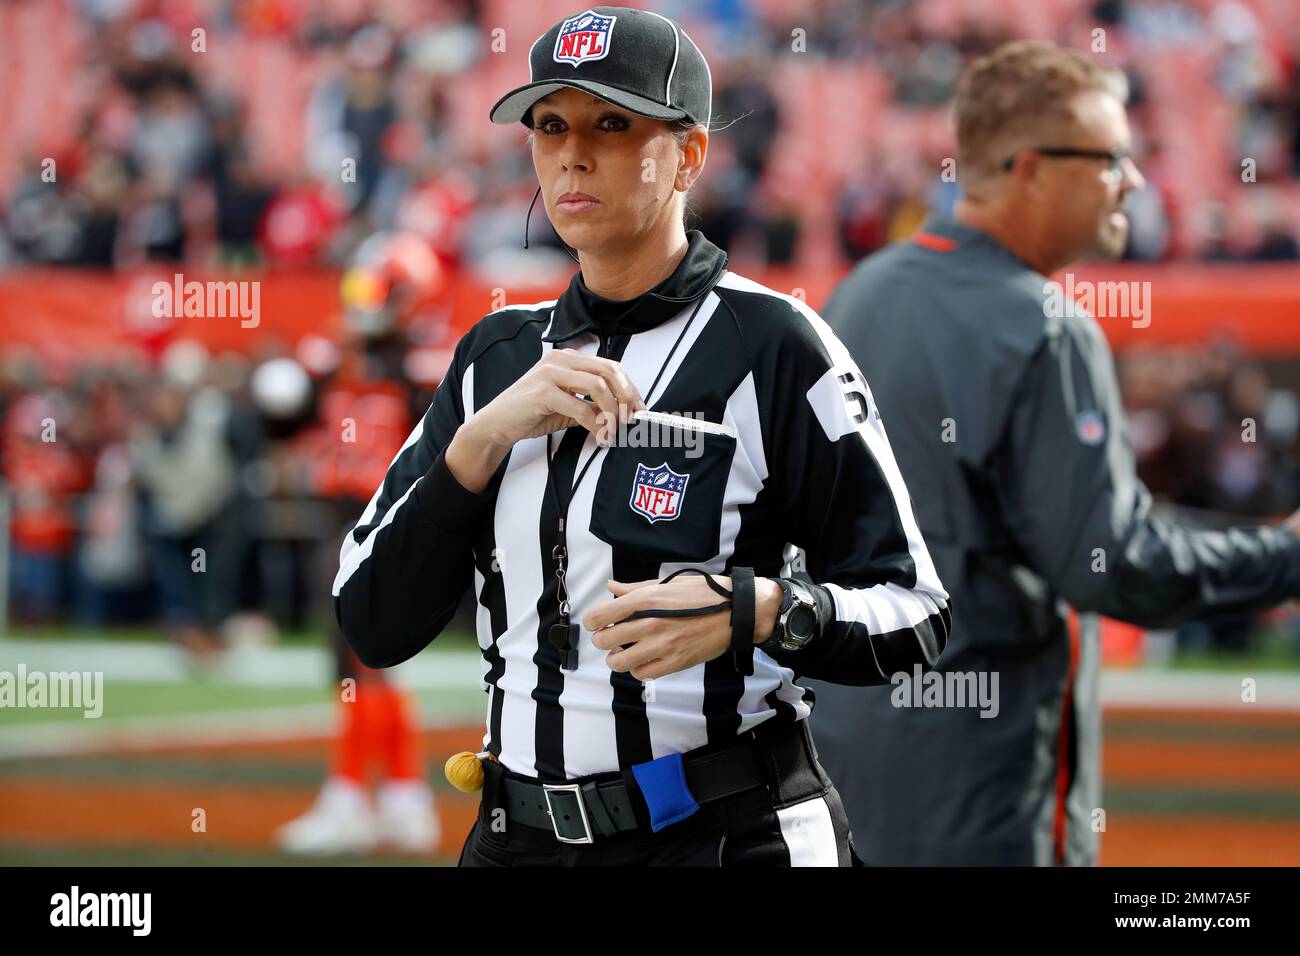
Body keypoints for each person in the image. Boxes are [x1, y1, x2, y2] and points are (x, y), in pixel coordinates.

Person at [333, 6, 950, 867]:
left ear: (689, 154)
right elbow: (372, 622)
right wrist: (477, 444)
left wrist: (762, 609)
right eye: (550, 126)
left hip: (728, 835)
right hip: (519, 841)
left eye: (612, 124)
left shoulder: (773, 344)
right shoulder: (492, 355)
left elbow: (916, 614)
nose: (572, 153)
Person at [807, 41, 1300, 866]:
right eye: (1112, 158)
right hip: (985, 789)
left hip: (845, 768)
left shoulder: (856, 294)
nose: (1134, 182)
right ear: (1030, 169)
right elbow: (1115, 561)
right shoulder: (1044, 326)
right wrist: (1283, 557)